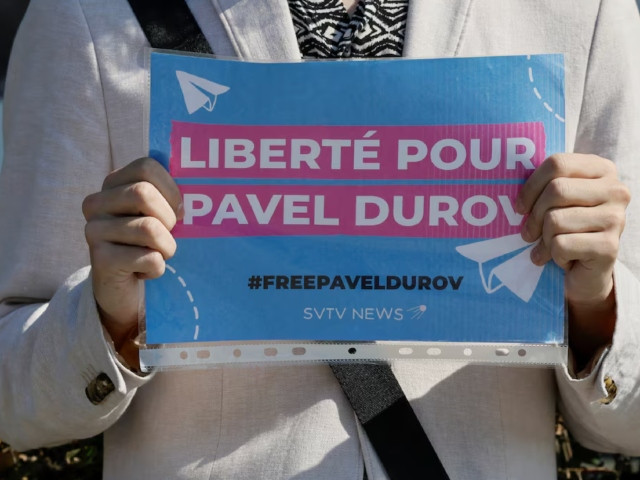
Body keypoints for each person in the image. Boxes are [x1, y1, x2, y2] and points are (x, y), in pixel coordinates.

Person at [1, 0, 639, 479]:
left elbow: (627, 424)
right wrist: (109, 318)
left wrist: (594, 306)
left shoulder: (578, 13)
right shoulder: (89, 14)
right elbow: (14, 401)